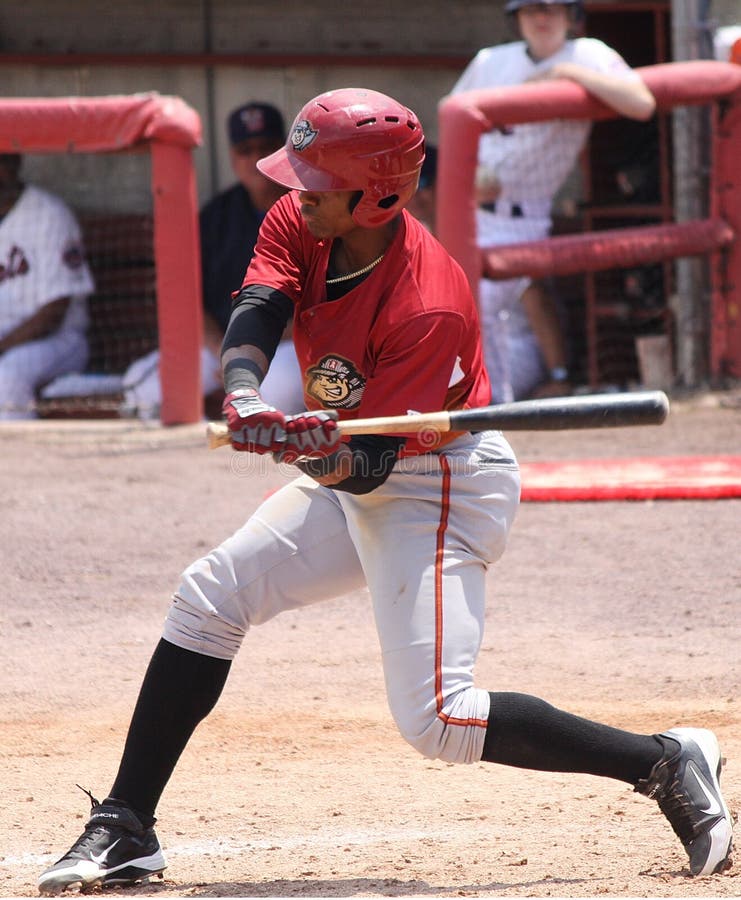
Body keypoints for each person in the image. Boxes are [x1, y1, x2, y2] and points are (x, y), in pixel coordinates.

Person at [38, 88, 732, 894]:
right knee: (208, 596)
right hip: (356, 460)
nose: (292, 191)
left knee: (440, 720)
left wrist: (307, 452)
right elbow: (259, 307)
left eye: (313, 178)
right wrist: (249, 399)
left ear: (377, 194)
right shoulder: (303, 217)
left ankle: (663, 760)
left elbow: (368, 470)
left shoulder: (427, 302)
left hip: (434, 482)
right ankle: (126, 826)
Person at [450, 0, 657, 402]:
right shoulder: (491, 60)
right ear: (517, 19)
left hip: (524, 214)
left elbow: (642, 103)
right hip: (473, 207)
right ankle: (492, 407)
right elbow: (452, 117)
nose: (542, 18)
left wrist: (566, 74)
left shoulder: (589, 54)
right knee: (471, 314)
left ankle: (493, 409)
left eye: (551, 9)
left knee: (485, 308)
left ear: (571, 16)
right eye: (531, 11)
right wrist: (467, 173)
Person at [122, 101, 304, 418]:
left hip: (289, 344)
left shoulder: (313, 207)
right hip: (222, 344)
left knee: (274, 391)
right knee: (141, 389)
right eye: (245, 149)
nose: (255, 158)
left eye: (265, 147)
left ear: (284, 150)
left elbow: (327, 302)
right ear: (232, 157)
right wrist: (223, 350)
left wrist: (248, 353)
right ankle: (192, 462)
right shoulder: (217, 216)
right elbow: (188, 296)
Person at [0, 153, 94, 419]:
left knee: (7, 376)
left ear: (15, 164)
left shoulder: (49, 214)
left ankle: (20, 459)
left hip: (58, 341)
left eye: (2, 162)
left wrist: (2, 346)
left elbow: (54, 311)